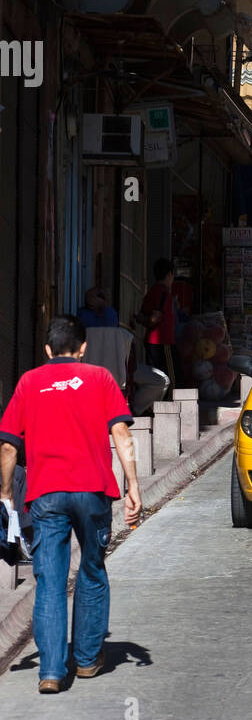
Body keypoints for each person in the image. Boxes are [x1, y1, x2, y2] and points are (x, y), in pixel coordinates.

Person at [0, 315, 141, 693]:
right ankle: (86, 660)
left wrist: (6, 496)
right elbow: (122, 433)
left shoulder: (30, 382)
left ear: (47, 350)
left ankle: (50, 671)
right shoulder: (100, 378)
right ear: (83, 348)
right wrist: (133, 486)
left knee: (49, 582)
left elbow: (9, 444)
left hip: (45, 494)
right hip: (92, 491)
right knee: (92, 571)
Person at [137, 258, 177, 389]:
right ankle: (170, 402)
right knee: (169, 375)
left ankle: (154, 403)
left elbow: (142, 315)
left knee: (154, 375)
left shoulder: (151, 292)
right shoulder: (163, 292)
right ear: (169, 274)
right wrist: (150, 322)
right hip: (162, 342)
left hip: (150, 341)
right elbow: (155, 317)